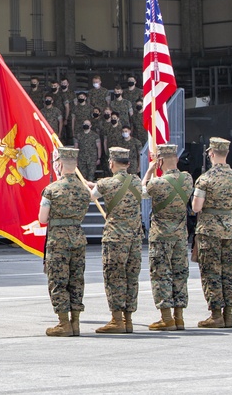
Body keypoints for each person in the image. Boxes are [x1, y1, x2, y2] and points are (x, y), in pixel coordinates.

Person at [192, 137, 232, 328]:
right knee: (230, 272)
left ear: (212, 154)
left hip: (209, 230)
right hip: (231, 229)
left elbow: (197, 207)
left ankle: (216, 315)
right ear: (226, 153)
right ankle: (228, 314)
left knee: (211, 272)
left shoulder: (205, 179)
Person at [89, 147, 143, 334]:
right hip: (135, 238)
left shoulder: (105, 183)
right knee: (131, 277)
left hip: (115, 238)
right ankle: (128, 320)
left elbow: (93, 195)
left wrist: (91, 185)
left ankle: (117, 319)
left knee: (114, 277)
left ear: (111, 163)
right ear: (128, 164)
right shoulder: (136, 181)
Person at [142, 144, 194, 331]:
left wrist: (150, 171)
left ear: (160, 161)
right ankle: (179, 318)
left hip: (161, 236)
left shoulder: (157, 183)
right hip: (180, 235)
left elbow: (142, 191)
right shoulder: (187, 178)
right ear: (177, 159)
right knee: (180, 274)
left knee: (161, 275)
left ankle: (166, 318)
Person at [40, 147, 90, 337]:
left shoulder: (51, 190)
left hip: (58, 240)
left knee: (58, 280)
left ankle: (63, 323)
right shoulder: (84, 190)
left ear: (59, 164)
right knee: (76, 280)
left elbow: (42, 218)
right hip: (78, 237)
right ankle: (75, 322)